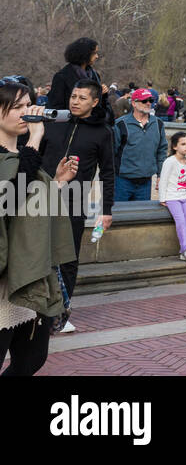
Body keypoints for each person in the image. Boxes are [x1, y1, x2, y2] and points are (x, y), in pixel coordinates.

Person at [0, 80, 78, 375]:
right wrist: (34, 140)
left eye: (28, 105)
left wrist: (56, 183)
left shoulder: (22, 157)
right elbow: (7, 199)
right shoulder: (21, 155)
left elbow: (29, 210)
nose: (27, 112)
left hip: (31, 274)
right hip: (4, 280)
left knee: (32, 358)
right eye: (17, 107)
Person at [39, 78, 114, 329]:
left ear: (94, 102)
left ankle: (61, 312)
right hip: (40, 198)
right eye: (73, 96)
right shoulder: (53, 123)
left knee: (67, 260)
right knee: (37, 253)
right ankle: (37, 309)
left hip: (74, 202)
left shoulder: (103, 132)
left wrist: (106, 211)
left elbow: (108, 173)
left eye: (82, 98)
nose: (75, 101)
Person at [113, 89, 168, 202]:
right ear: (133, 103)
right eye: (144, 101)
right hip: (122, 181)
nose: (148, 103)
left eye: (151, 100)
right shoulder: (120, 124)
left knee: (140, 216)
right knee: (118, 215)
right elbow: (110, 152)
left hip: (145, 182)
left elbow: (162, 151)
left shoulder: (158, 124)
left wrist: (160, 175)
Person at [160, 132, 186, 263]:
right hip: (172, 198)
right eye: (183, 144)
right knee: (181, 222)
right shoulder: (169, 161)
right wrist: (162, 198)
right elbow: (163, 180)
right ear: (175, 146)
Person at [46, 37, 102, 112]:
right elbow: (56, 107)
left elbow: (99, 104)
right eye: (94, 53)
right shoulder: (62, 77)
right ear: (85, 53)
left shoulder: (95, 75)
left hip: (93, 122)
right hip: (71, 122)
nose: (97, 56)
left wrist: (103, 95)